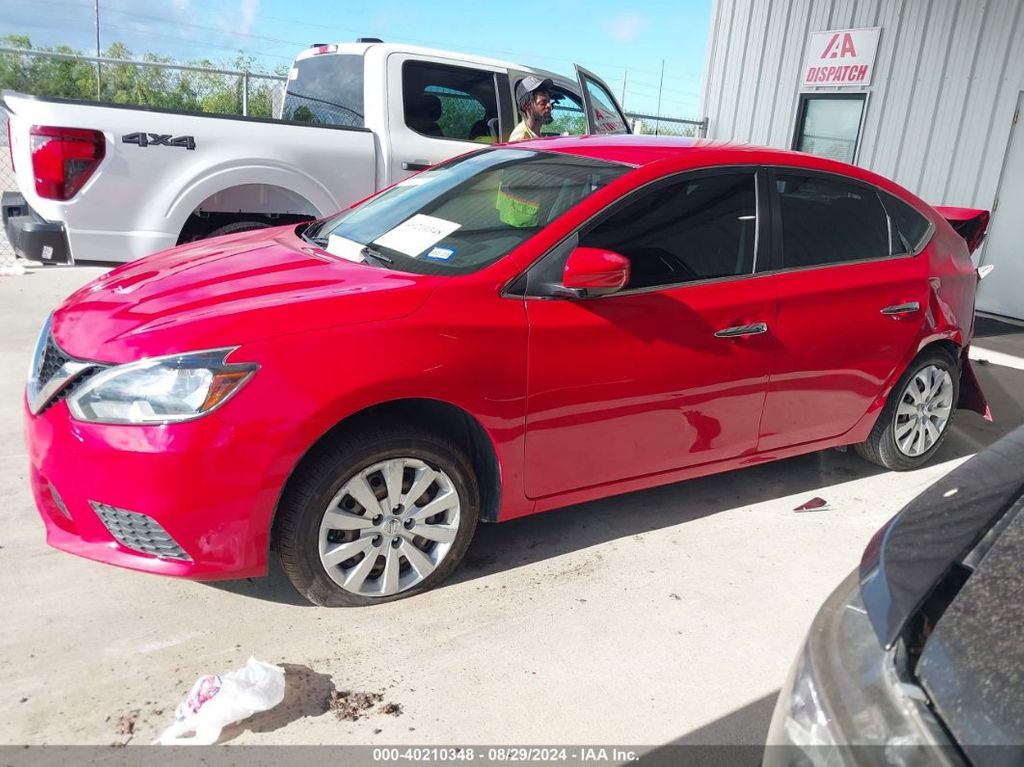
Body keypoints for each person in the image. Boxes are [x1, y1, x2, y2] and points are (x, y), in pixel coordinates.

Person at [508, 76, 554, 142]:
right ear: (526, 106)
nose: (549, 106)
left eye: (549, 101)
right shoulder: (521, 138)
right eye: (543, 103)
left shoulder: (534, 134)